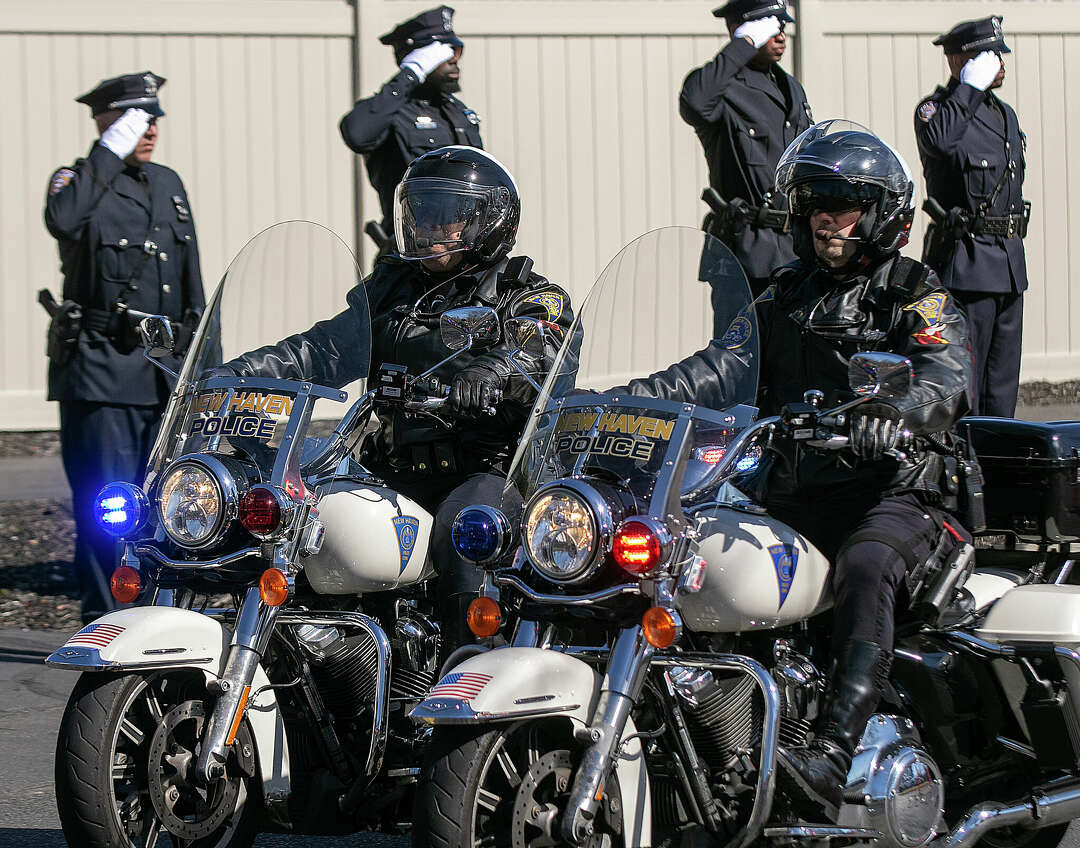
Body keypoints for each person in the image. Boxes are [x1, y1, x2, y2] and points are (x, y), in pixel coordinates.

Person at [618, 122, 971, 820]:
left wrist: (898, 413)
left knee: (867, 566)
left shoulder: (913, 295)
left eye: (840, 204)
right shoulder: (786, 294)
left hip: (900, 492)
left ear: (880, 214)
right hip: (798, 491)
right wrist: (641, 393)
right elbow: (724, 363)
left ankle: (832, 756)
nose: (823, 218)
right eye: (814, 202)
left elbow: (946, 375)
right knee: (693, 558)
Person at [216, 147, 572, 647]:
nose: (430, 228)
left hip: (483, 473)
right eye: (421, 212)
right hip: (387, 469)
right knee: (296, 528)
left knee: (464, 538)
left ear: (490, 222)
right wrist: (237, 375)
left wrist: (496, 370)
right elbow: (322, 348)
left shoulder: (528, 295)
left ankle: (467, 688)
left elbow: (543, 349)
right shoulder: (391, 291)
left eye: (448, 216)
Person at [44, 71, 205, 623]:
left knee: (167, 506)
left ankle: (154, 617)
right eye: (136, 117)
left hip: (162, 373)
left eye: (154, 117)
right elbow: (61, 220)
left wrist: (202, 368)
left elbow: (192, 289)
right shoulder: (79, 182)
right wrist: (105, 153)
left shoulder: (168, 183)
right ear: (105, 122)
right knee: (107, 507)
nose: (151, 128)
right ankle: (104, 620)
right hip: (102, 373)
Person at [915, 16, 1027, 417]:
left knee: (1002, 385)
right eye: (988, 56)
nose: (1000, 64)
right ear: (960, 60)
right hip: (968, 262)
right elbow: (941, 144)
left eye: (1000, 56)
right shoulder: (937, 111)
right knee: (968, 385)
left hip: (1009, 264)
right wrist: (968, 87)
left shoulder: (1004, 114)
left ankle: (1001, 465)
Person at [680, 0, 813, 297]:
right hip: (748, 252)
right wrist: (744, 44)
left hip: (797, 251)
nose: (780, 36)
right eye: (768, 28)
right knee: (742, 342)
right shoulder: (723, 89)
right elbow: (695, 103)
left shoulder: (789, 87)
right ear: (739, 30)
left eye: (781, 28)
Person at [339, 6, 483, 258]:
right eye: (443, 52)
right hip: (412, 250)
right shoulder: (391, 112)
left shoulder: (457, 112)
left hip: (465, 249)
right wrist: (409, 75)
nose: (454, 59)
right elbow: (356, 133)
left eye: (456, 50)